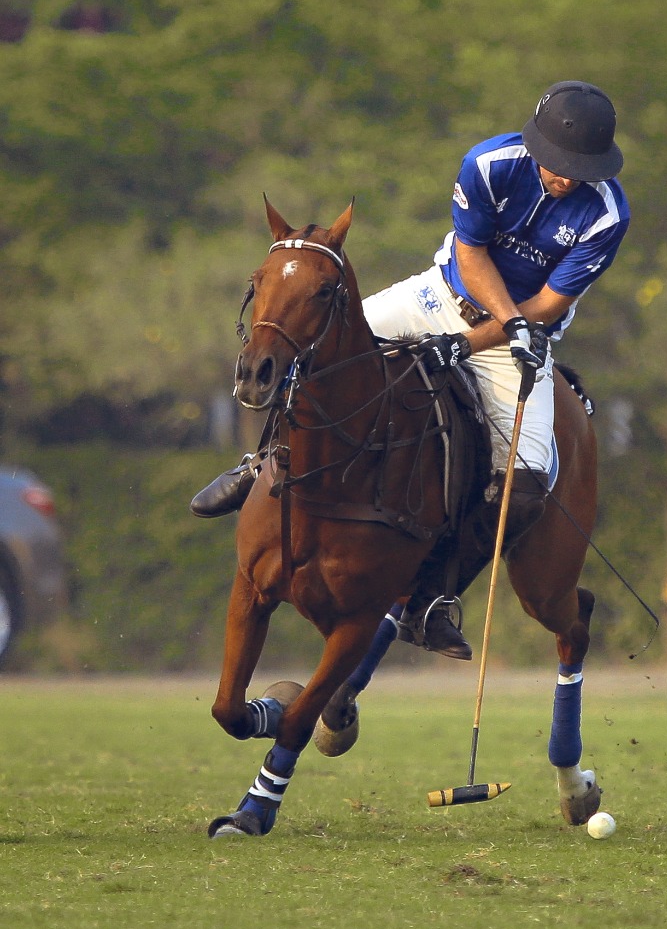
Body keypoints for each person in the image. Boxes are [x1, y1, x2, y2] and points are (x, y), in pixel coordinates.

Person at [191, 80, 631, 651]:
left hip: (522, 335)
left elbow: (550, 302)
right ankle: (258, 464)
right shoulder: (489, 164)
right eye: (556, 162)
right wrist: (482, 325)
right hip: (437, 297)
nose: (565, 175)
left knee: (523, 485)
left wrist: (478, 341)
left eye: (580, 166)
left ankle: (433, 598)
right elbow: (470, 256)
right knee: (317, 354)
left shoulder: (607, 214)